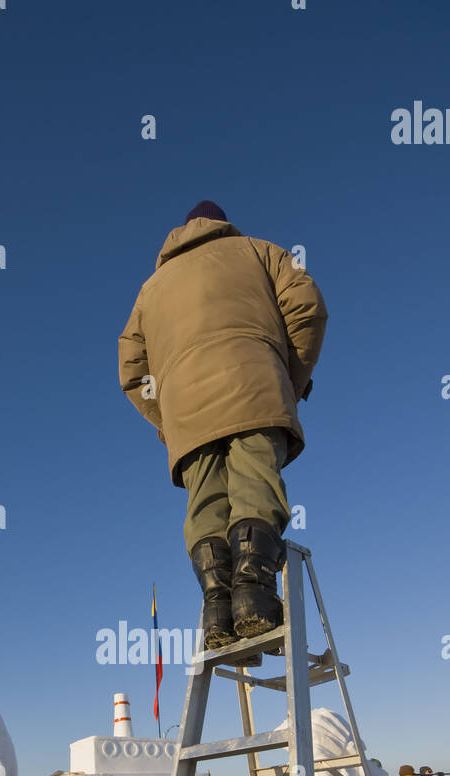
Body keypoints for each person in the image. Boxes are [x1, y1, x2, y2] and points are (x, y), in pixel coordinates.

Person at [119, 201, 328, 648]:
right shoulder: (259, 251)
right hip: (254, 384)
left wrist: (168, 418)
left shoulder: (149, 290)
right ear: (223, 223)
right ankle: (253, 596)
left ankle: (218, 605)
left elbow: (132, 372)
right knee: (255, 483)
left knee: (206, 505)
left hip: (186, 415)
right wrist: (287, 380)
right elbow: (307, 307)